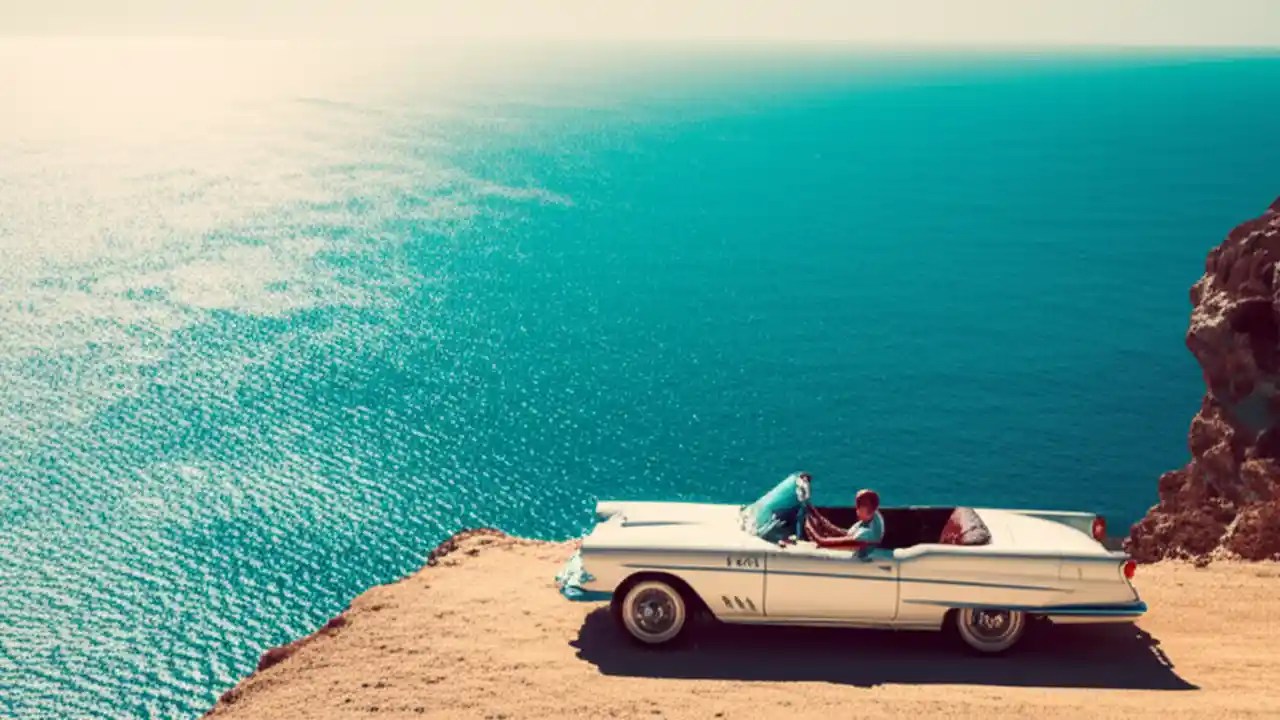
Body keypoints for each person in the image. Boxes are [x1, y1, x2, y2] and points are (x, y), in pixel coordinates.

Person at [804, 488, 885, 556]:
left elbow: (823, 542)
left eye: (859, 506)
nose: (856, 509)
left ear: (868, 508)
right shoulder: (873, 517)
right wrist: (817, 515)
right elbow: (846, 534)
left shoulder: (867, 534)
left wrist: (810, 528)